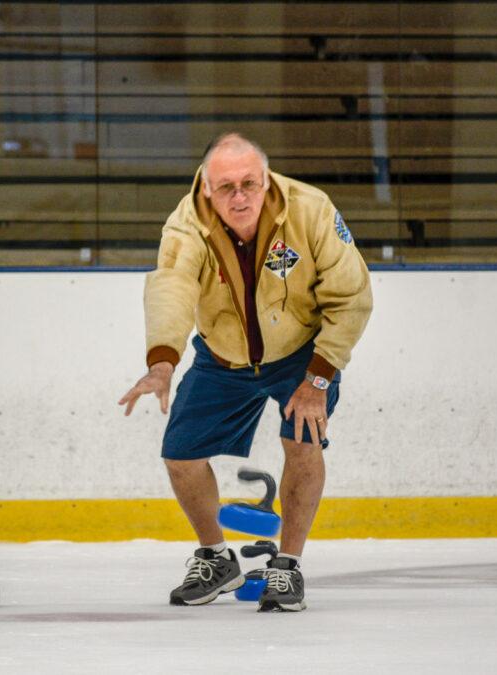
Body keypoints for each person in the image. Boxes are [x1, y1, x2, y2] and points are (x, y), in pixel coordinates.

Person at [119, 133, 372, 612]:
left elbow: (352, 297)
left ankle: (288, 567)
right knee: (179, 455)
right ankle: (217, 559)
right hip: (223, 356)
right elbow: (171, 288)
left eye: (249, 184)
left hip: (303, 351)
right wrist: (163, 361)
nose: (239, 196)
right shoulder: (186, 224)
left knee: (303, 439)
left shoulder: (311, 210)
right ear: (207, 189)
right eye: (226, 186)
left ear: (267, 180)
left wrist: (317, 380)